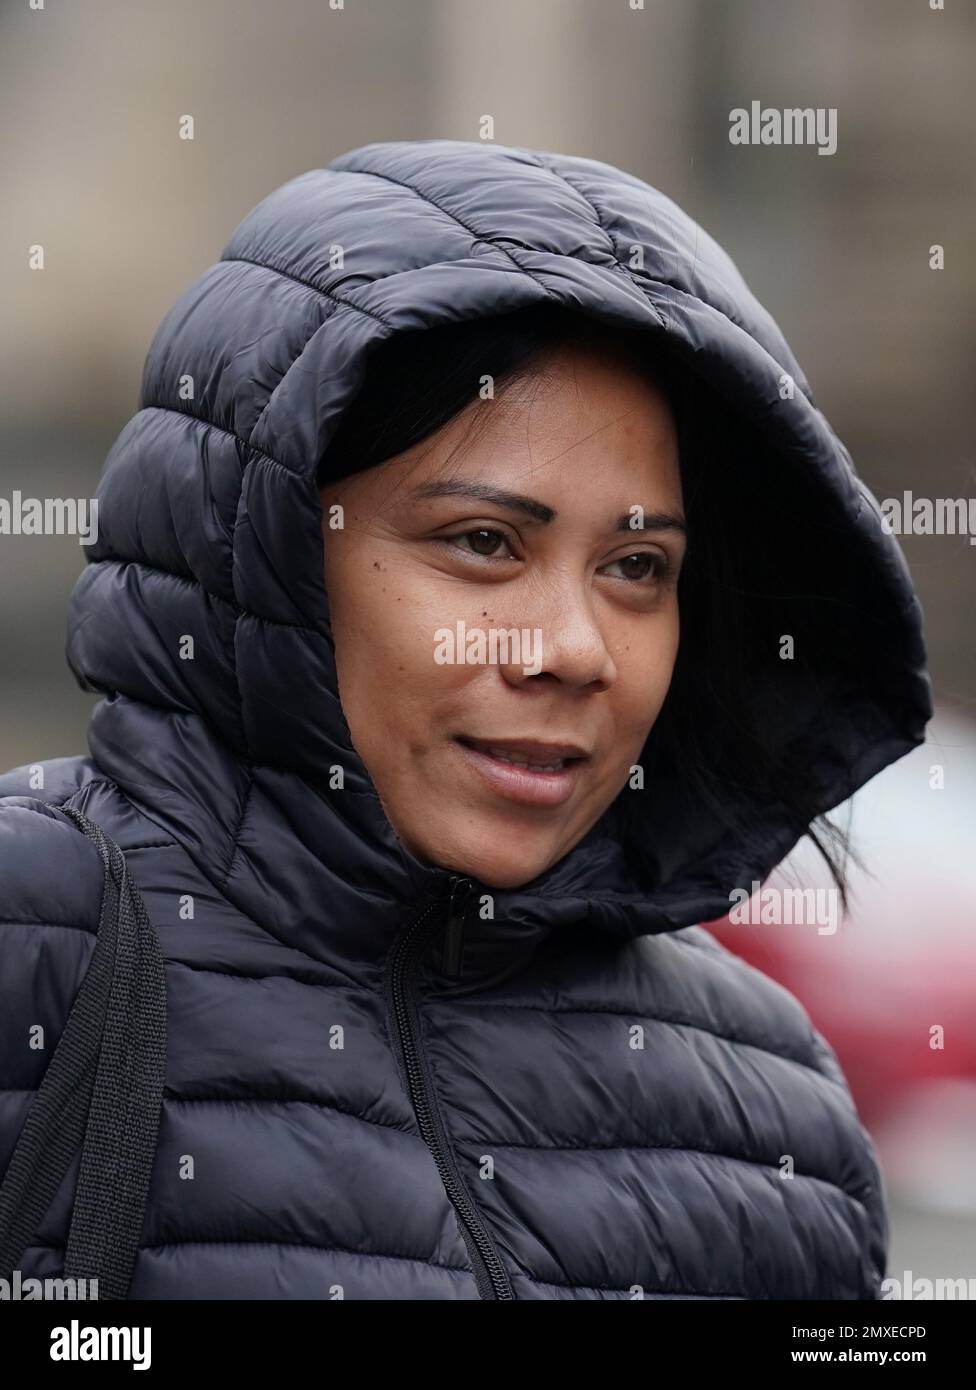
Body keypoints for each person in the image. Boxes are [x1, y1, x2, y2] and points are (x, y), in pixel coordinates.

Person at [0, 139, 931, 1300]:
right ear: (265, 544)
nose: (574, 651)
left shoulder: (776, 1121)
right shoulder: (33, 939)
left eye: (638, 566)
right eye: (484, 543)